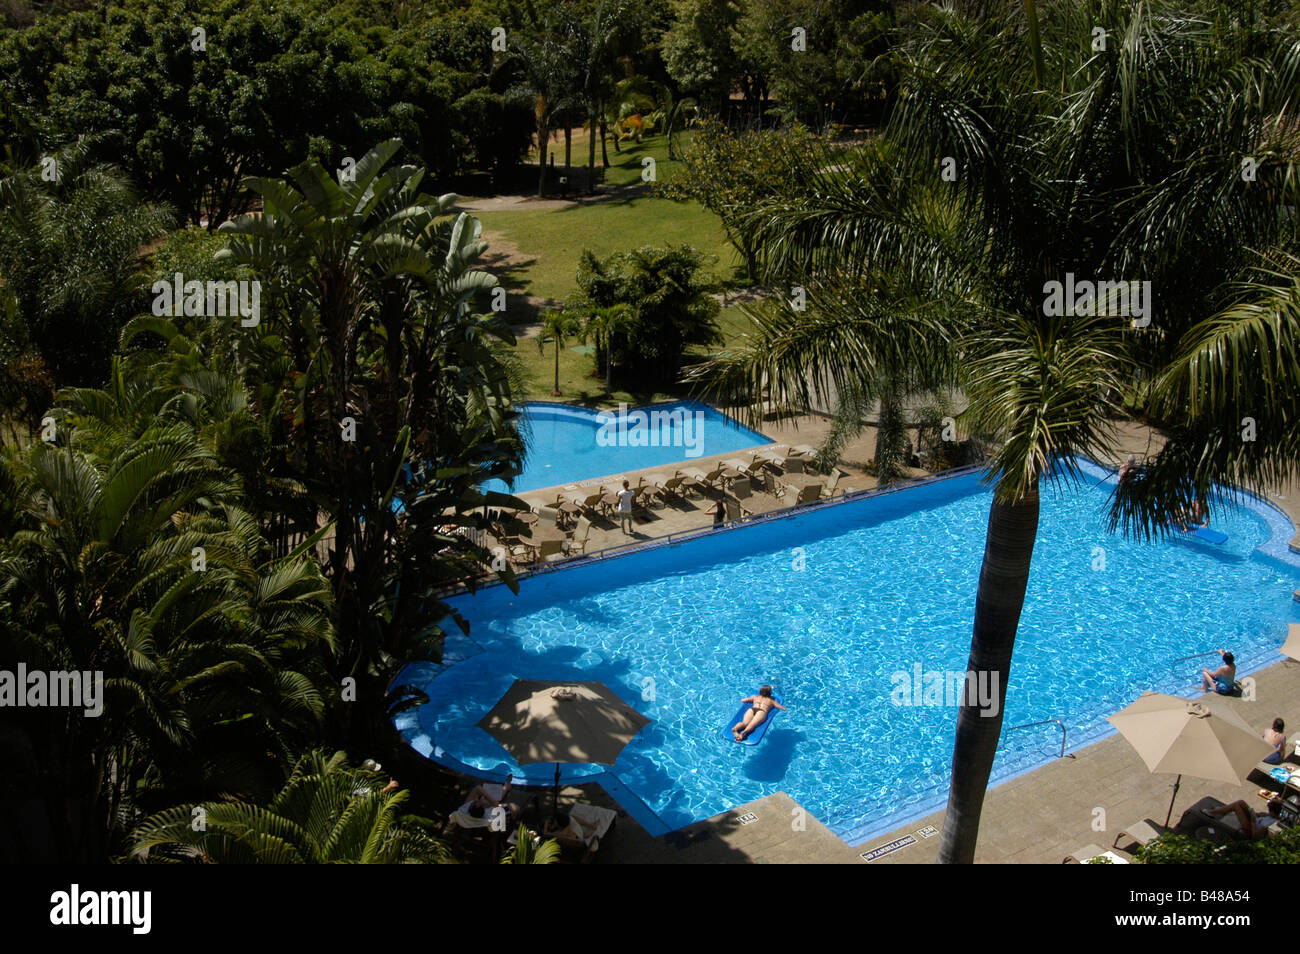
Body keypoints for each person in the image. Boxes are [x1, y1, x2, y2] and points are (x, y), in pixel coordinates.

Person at [1204, 798, 1282, 839]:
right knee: (1241, 802)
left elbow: (1254, 836)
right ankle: (1222, 810)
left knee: (1236, 807)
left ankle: (1212, 813)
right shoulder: (1274, 816)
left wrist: (1253, 822)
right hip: (1254, 820)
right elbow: (1267, 816)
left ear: (1273, 812)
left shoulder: (1267, 825)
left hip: (1250, 829)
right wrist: (1258, 814)